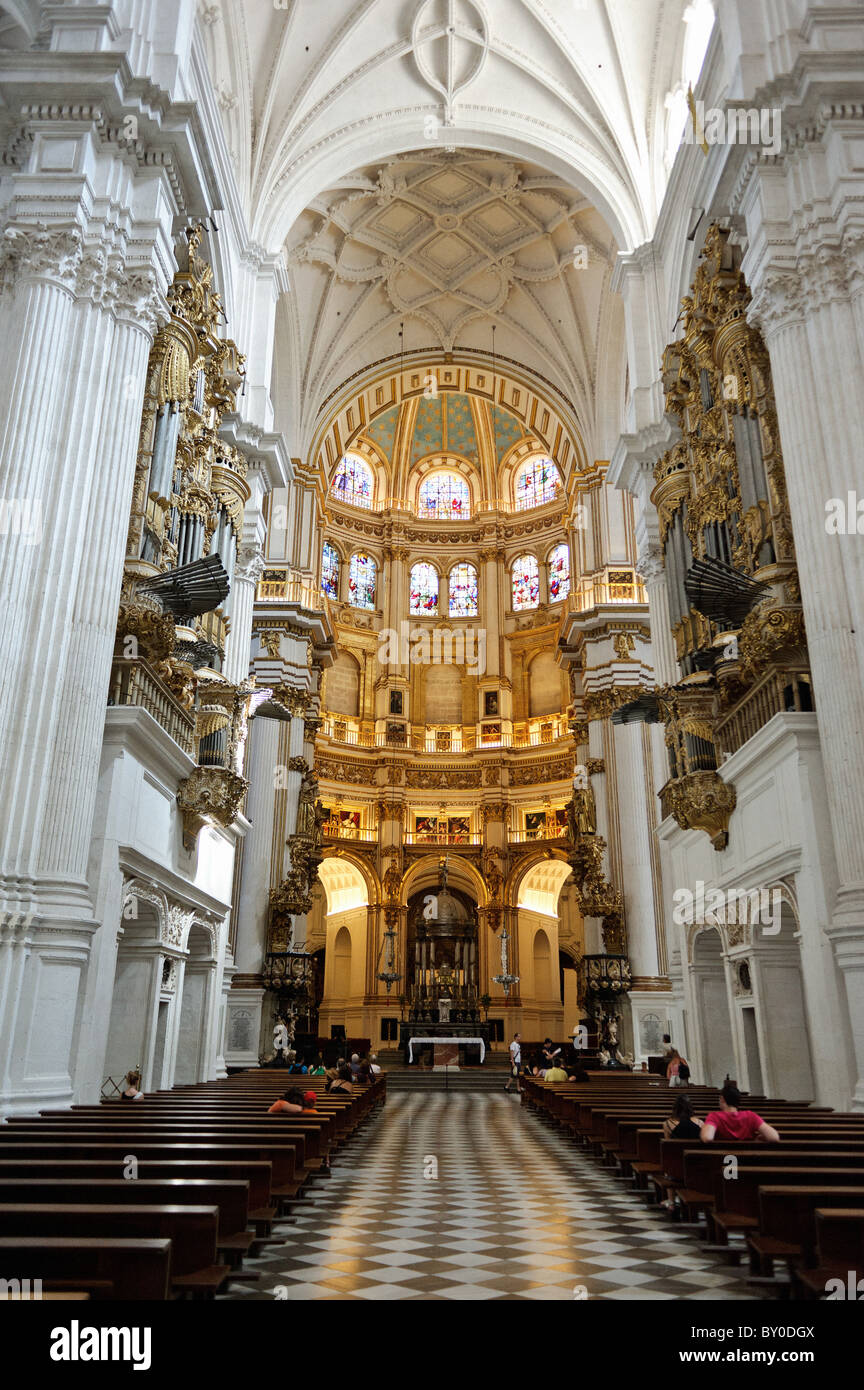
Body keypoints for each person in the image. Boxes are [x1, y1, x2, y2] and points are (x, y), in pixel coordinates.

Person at [701, 1083, 780, 1143]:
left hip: (723, 1158)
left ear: (722, 1099)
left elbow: (707, 1137)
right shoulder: (750, 1116)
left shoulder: (714, 1116)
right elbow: (774, 1137)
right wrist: (759, 1138)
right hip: (747, 1159)